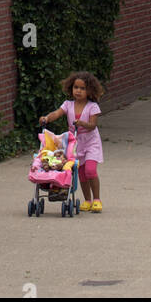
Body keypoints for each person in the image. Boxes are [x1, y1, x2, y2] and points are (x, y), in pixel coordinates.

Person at [39, 72, 105, 211]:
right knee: (81, 173)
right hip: (75, 144)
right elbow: (57, 113)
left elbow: (93, 125)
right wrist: (47, 118)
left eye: (82, 88)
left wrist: (82, 123)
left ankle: (97, 199)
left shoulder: (92, 107)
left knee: (90, 171)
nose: (78, 91)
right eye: (76, 87)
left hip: (91, 143)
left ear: (90, 90)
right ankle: (87, 200)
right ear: (71, 88)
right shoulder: (68, 105)